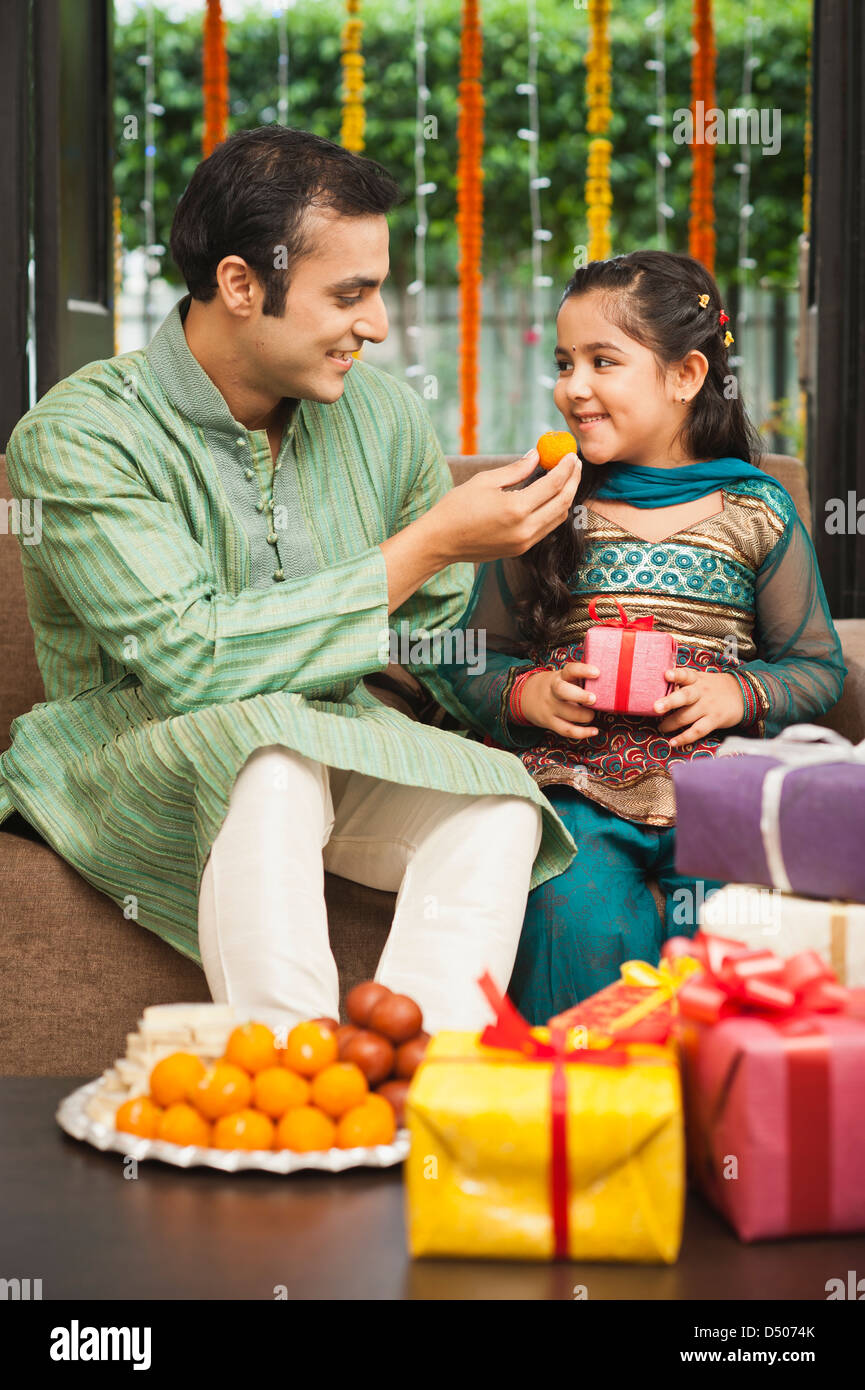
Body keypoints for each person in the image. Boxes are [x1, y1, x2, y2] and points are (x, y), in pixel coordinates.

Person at [0, 126, 583, 1034]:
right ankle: (293, 1090)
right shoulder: (80, 436)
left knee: (498, 802)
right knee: (268, 758)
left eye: (378, 290)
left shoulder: (381, 412)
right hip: (133, 750)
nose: (377, 326)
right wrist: (426, 544)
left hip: (335, 733)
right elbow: (189, 662)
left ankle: (410, 1090)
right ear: (239, 284)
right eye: (348, 294)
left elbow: (423, 627)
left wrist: (490, 561)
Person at [436, 250, 847, 1021]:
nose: (572, 387)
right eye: (563, 363)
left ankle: (716, 1119)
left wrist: (739, 692)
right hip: (577, 790)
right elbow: (468, 658)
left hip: (717, 793)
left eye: (602, 361)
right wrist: (527, 695)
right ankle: (586, 1110)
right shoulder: (544, 503)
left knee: (732, 946)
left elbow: (818, 664)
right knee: (572, 916)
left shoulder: (754, 509)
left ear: (686, 375)